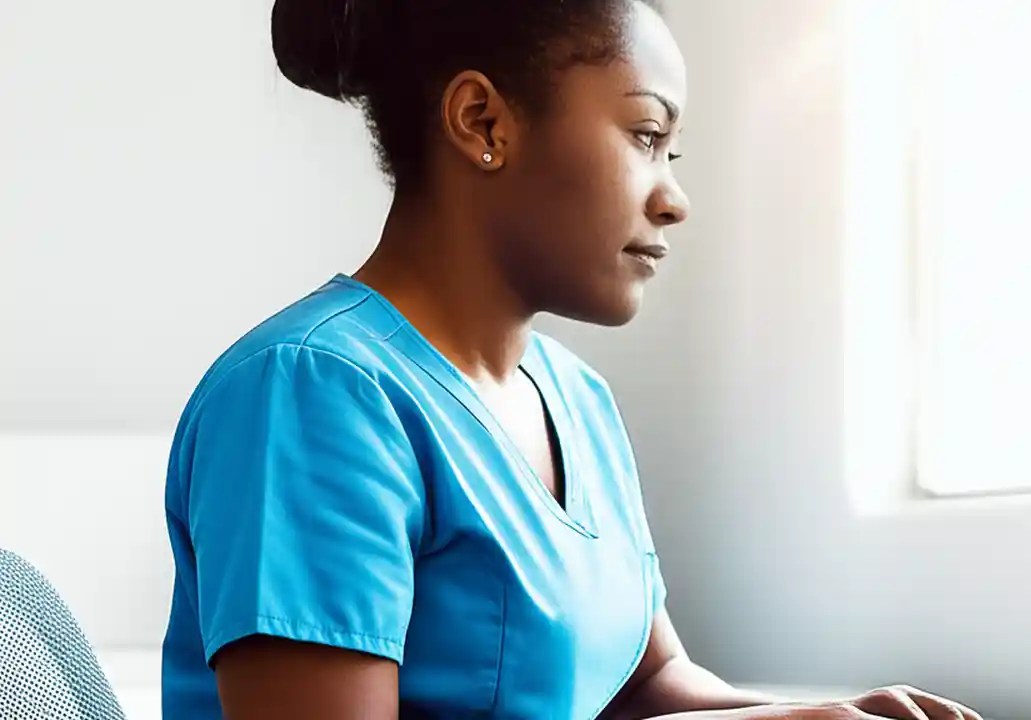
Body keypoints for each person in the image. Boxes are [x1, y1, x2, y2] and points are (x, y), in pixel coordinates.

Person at [159, 1, 985, 718]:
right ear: (483, 121)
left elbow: (649, 684)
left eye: (673, 152)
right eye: (646, 136)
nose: (674, 196)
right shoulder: (313, 392)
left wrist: (826, 716)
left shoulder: (577, 399)